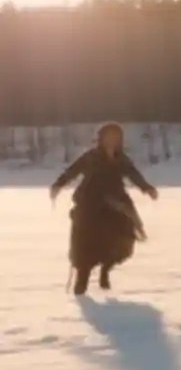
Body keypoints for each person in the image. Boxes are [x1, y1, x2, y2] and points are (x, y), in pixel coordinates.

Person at [49, 122, 159, 295]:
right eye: (109, 137)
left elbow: (133, 174)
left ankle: (105, 270)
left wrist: (147, 188)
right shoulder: (91, 157)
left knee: (122, 241)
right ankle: (82, 279)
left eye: (116, 137)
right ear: (101, 139)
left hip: (116, 203)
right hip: (90, 203)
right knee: (86, 244)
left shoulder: (121, 159)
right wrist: (58, 185)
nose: (112, 140)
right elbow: (73, 171)